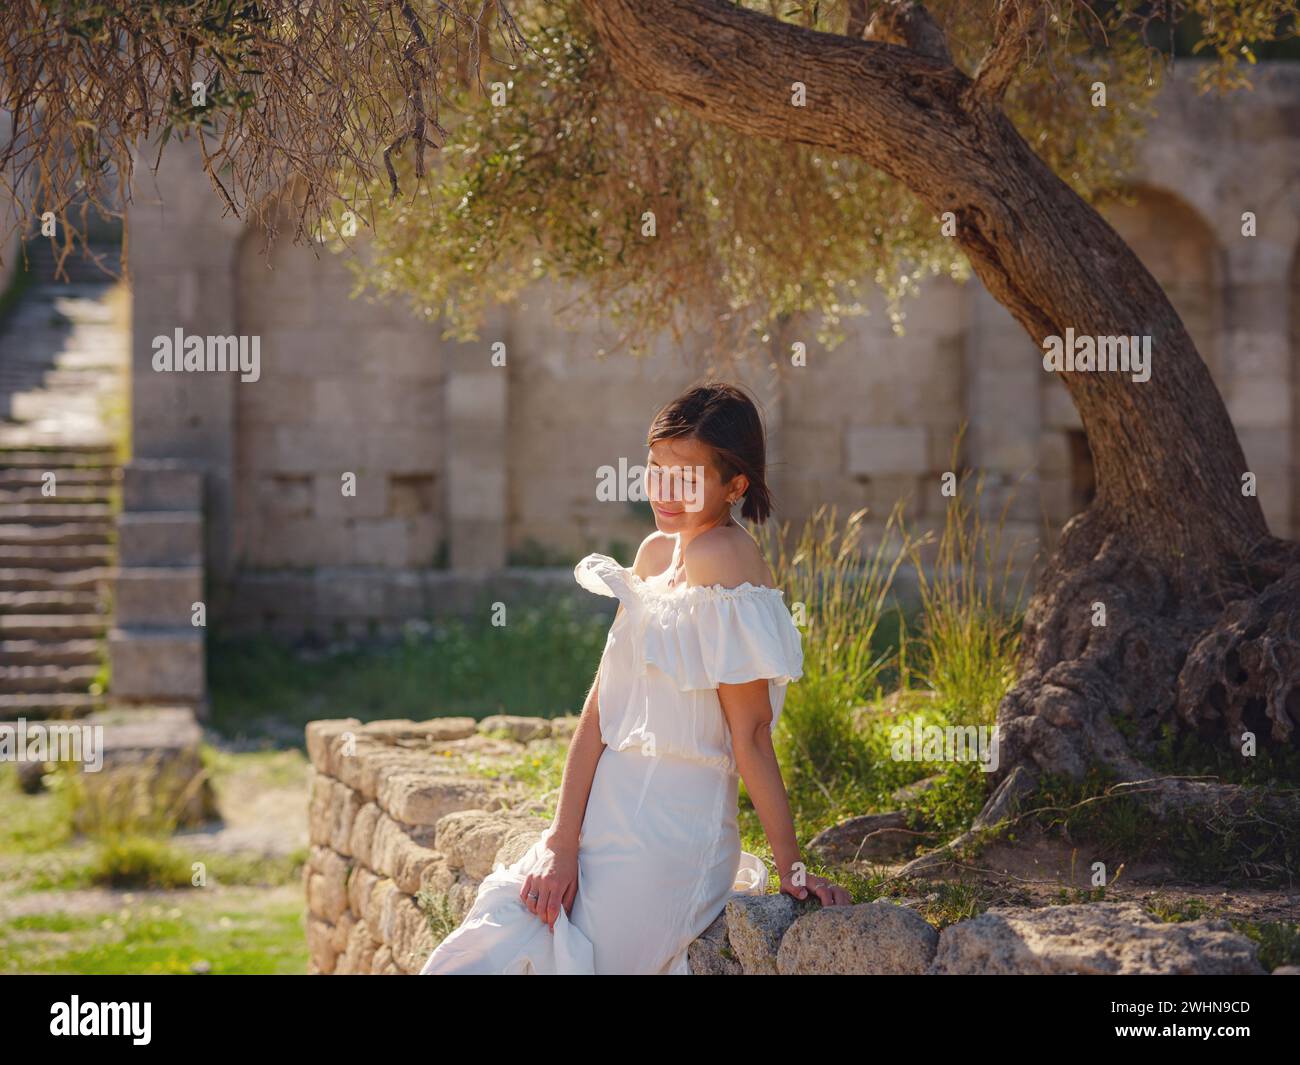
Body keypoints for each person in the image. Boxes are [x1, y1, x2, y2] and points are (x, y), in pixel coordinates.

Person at [420, 382, 851, 975]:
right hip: (605, 813)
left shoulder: (725, 560)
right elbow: (599, 712)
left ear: (735, 485)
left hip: (671, 836)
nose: (665, 492)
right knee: (496, 942)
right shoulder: (653, 554)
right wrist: (561, 843)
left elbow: (751, 736)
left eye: (688, 477)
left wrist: (793, 868)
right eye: (655, 470)